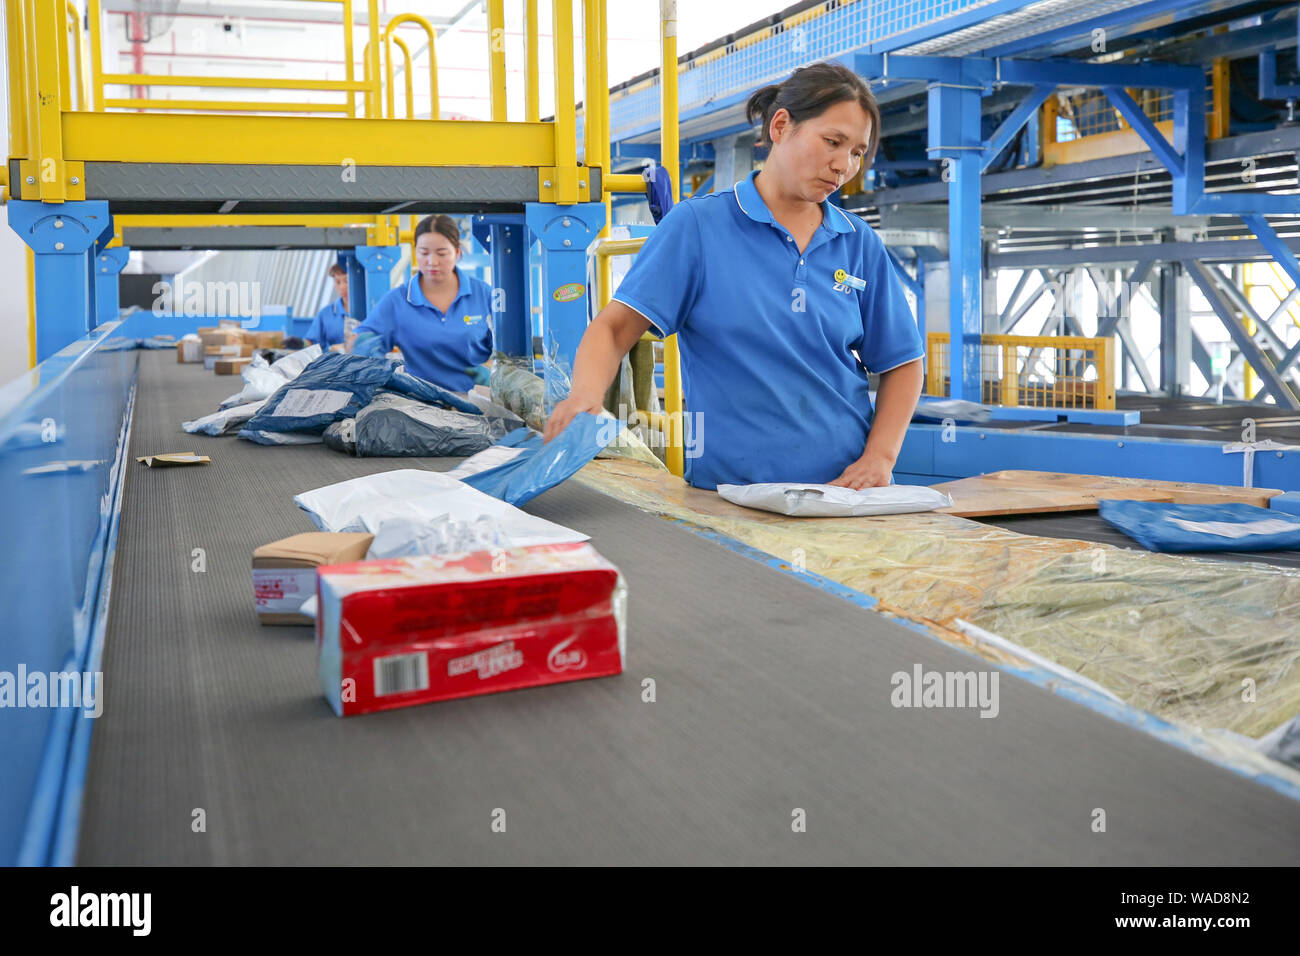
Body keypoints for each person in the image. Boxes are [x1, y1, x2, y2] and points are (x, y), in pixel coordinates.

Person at [543, 61, 925, 491]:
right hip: (732, 496)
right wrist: (584, 397)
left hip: (844, 494)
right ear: (781, 126)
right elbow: (614, 330)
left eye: (857, 152)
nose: (843, 165)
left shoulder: (857, 242)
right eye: (832, 141)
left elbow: (903, 362)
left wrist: (879, 457)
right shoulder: (698, 227)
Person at [350, 214, 494, 393]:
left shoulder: (483, 293)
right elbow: (363, 343)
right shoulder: (397, 301)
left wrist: (492, 371)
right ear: (415, 251)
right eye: (424, 253)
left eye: (441, 253)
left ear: (457, 252)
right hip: (421, 404)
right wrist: (369, 357)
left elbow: (507, 350)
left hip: (479, 401)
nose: (432, 262)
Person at [305, 263, 350, 348]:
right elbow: (313, 342)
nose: (342, 287)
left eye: (347, 281)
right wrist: (300, 343)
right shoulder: (326, 314)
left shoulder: (370, 310)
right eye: (338, 282)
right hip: (337, 360)